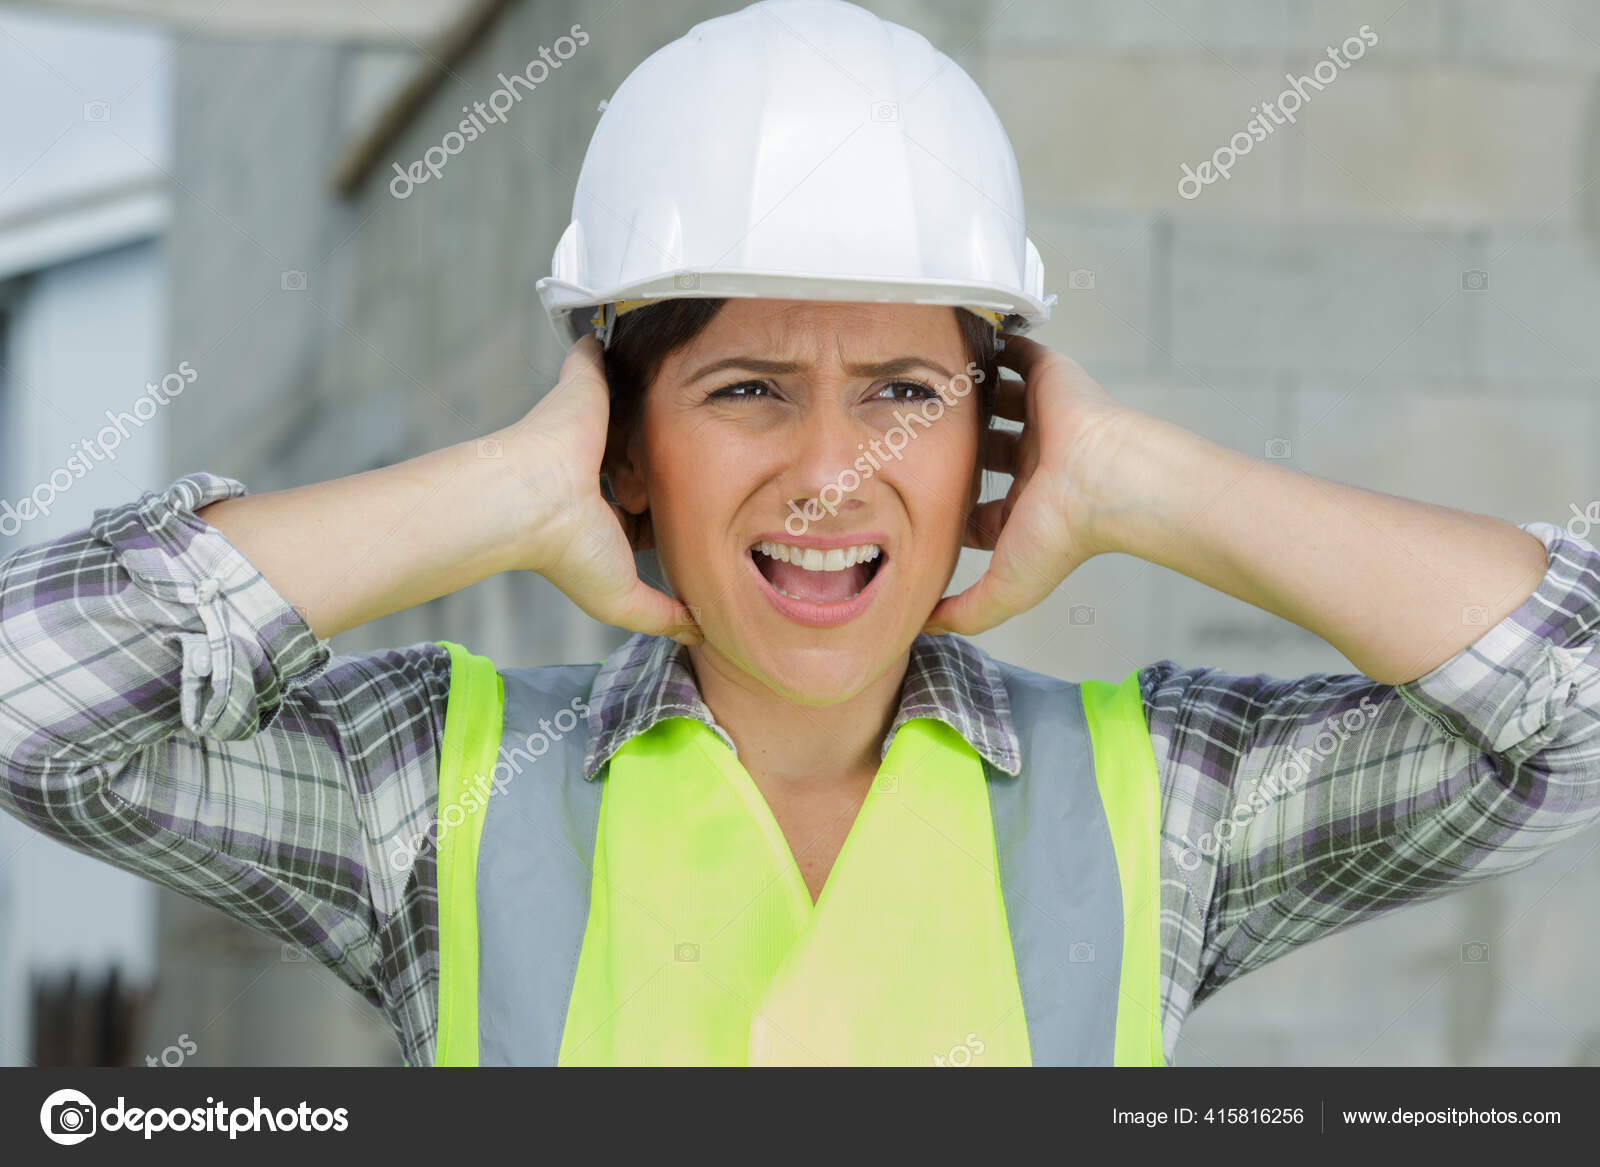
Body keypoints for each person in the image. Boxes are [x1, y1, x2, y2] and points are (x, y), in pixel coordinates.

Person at [2, 0, 1597, 1067]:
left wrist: (1147, 484)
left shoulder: (1166, 801)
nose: (833, 473)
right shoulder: (428, 791)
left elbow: (1569, 710)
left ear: (999, 436)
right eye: (750, 390)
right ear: (627, 446)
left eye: (907, 392)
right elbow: (30, 699)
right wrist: (501, 490)